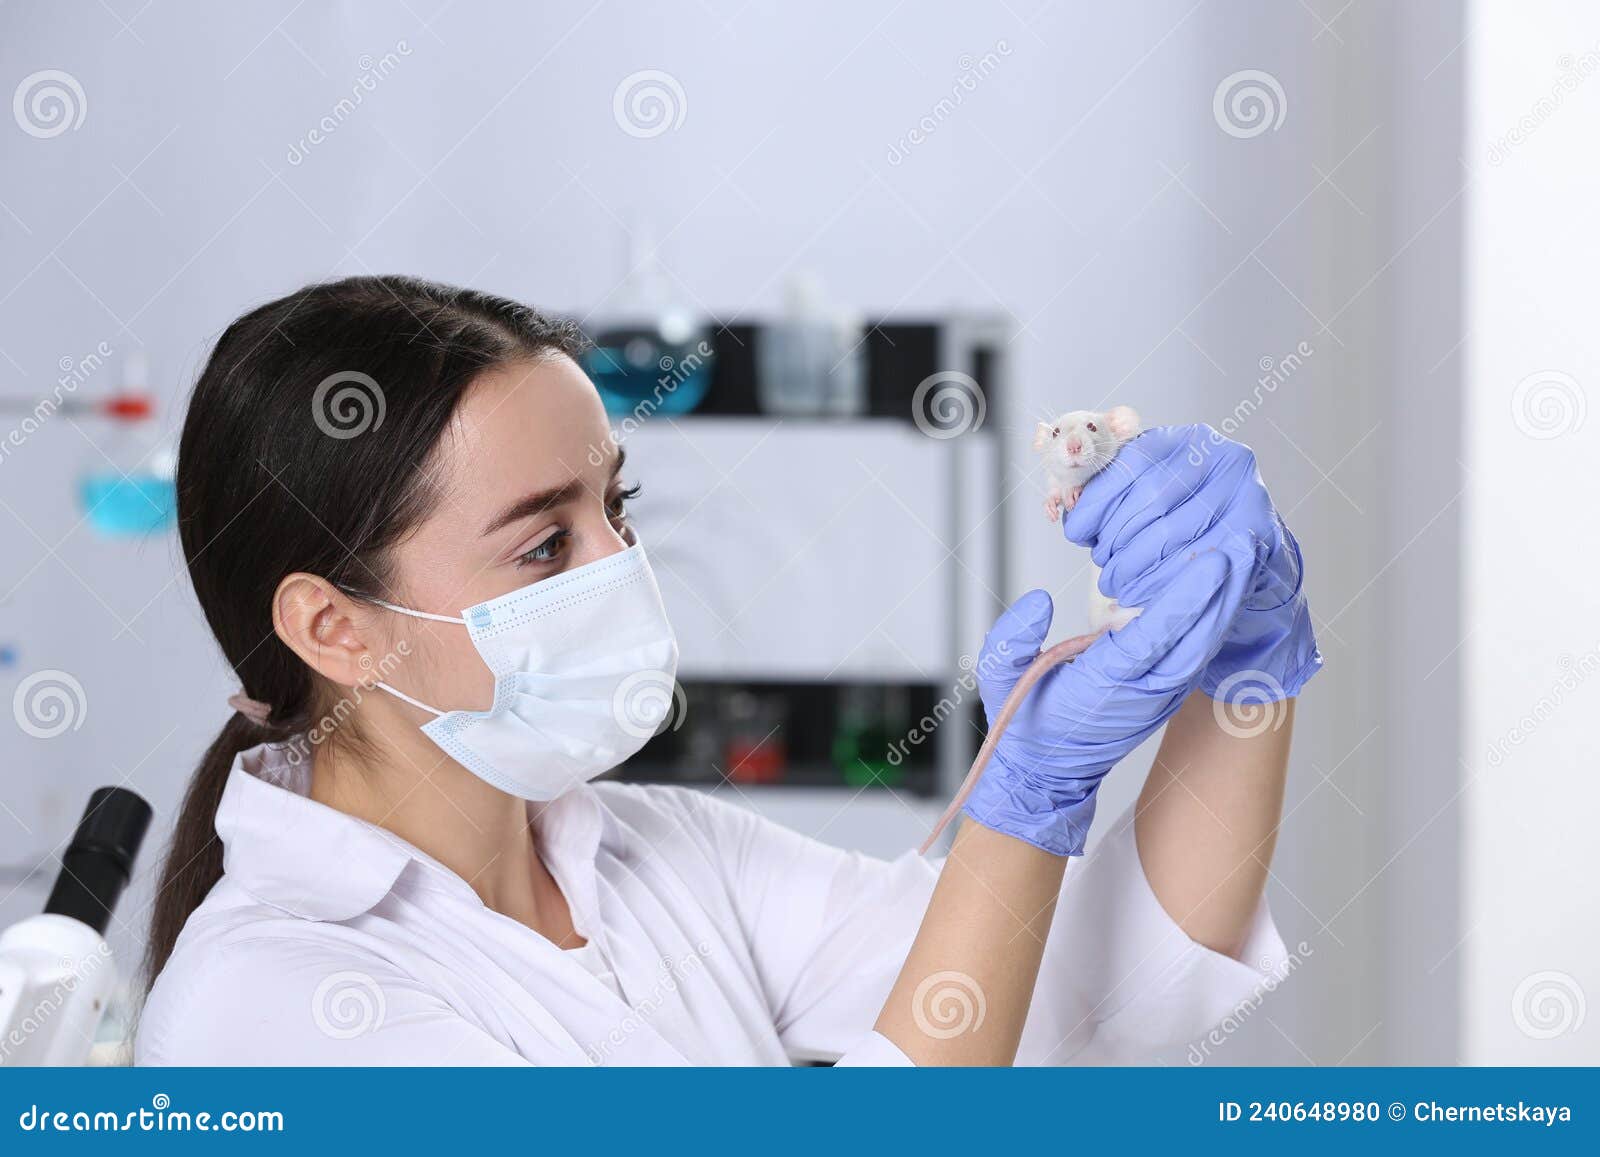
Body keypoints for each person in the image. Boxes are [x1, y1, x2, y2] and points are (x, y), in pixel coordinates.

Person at [135, 276, 1320, 1066]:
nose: (624, 566)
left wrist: (1242, 667)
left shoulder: (662, 855)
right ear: (336, 628)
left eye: (615, 507)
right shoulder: (269, 999)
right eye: (544, 543)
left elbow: (1097, 983)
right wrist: (1025, 802)